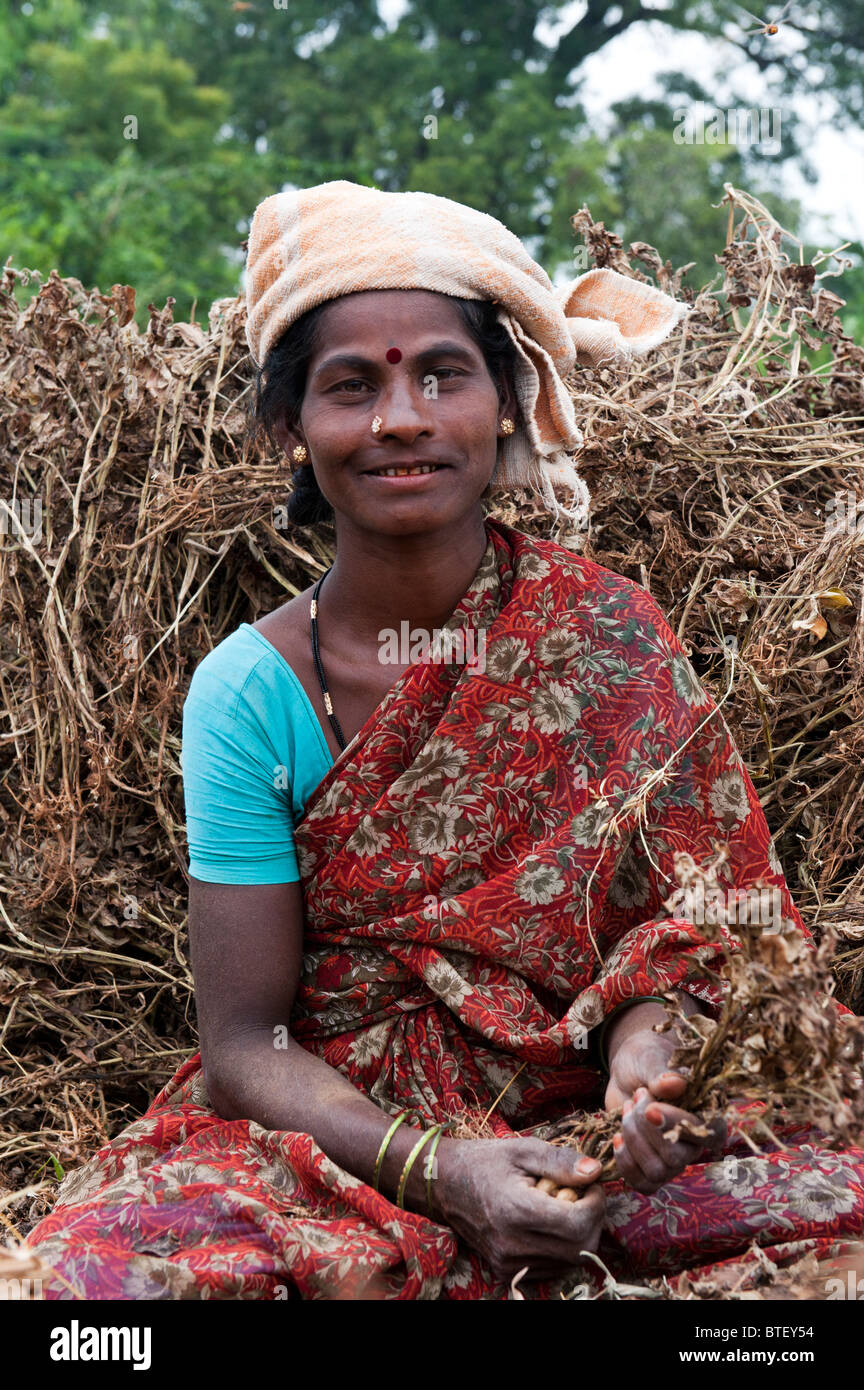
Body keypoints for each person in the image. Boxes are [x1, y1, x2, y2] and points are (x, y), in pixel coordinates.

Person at [26, 181, 864, 1300]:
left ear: (509, 401)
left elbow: (703, 938)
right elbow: (243, 1044)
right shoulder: (250, 692)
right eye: (350, 385)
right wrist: (440, 1167)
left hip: (582, 1111)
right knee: (110, 1286)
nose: (402, 417)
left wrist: (649, 1074)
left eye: (441, 372)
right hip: (350, 1133)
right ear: (291, 427)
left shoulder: (606, 633)